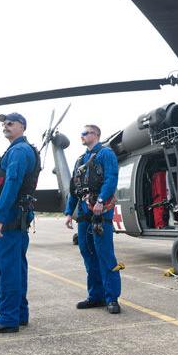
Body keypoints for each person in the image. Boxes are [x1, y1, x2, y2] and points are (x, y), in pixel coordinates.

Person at [0, 112, 39, 334]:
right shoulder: (21, 149)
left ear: (22, 126)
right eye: (4, 124)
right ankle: (19, 314)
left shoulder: (19, 151)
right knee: (17, 266)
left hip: (11, 216)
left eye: (10, 123)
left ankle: (8, 318)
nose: (5, 126)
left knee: (7, 268)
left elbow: (11, 184)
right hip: (18, 216)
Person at [64, 124, 122, 314]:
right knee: (87, 252)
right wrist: (68, 212)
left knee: (104, 254)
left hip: (100, 211)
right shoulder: (80, 160)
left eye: (85, 133)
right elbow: (74, 188)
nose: (81, 136)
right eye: (81, 133)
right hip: (83, 213)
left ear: (95, 134)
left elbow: (111, 178)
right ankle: (95, 296)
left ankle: (112, 298)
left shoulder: (106, 154)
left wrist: (100, 200)